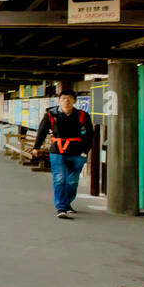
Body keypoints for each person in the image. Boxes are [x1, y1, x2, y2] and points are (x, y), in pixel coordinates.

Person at [33, 90, 95, 219]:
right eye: (63, 98)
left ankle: (67, 203)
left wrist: (85, 151)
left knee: (72, 180)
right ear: (59, 101)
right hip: (57, 151)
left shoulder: (83, 116)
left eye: (69, 98)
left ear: (74, 101)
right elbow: (42, 131)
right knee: (59, 178)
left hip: (77, 151)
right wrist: (36, 147)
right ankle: (61, 207)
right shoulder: (51, 115)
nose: (66, 101)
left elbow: (89, 135)